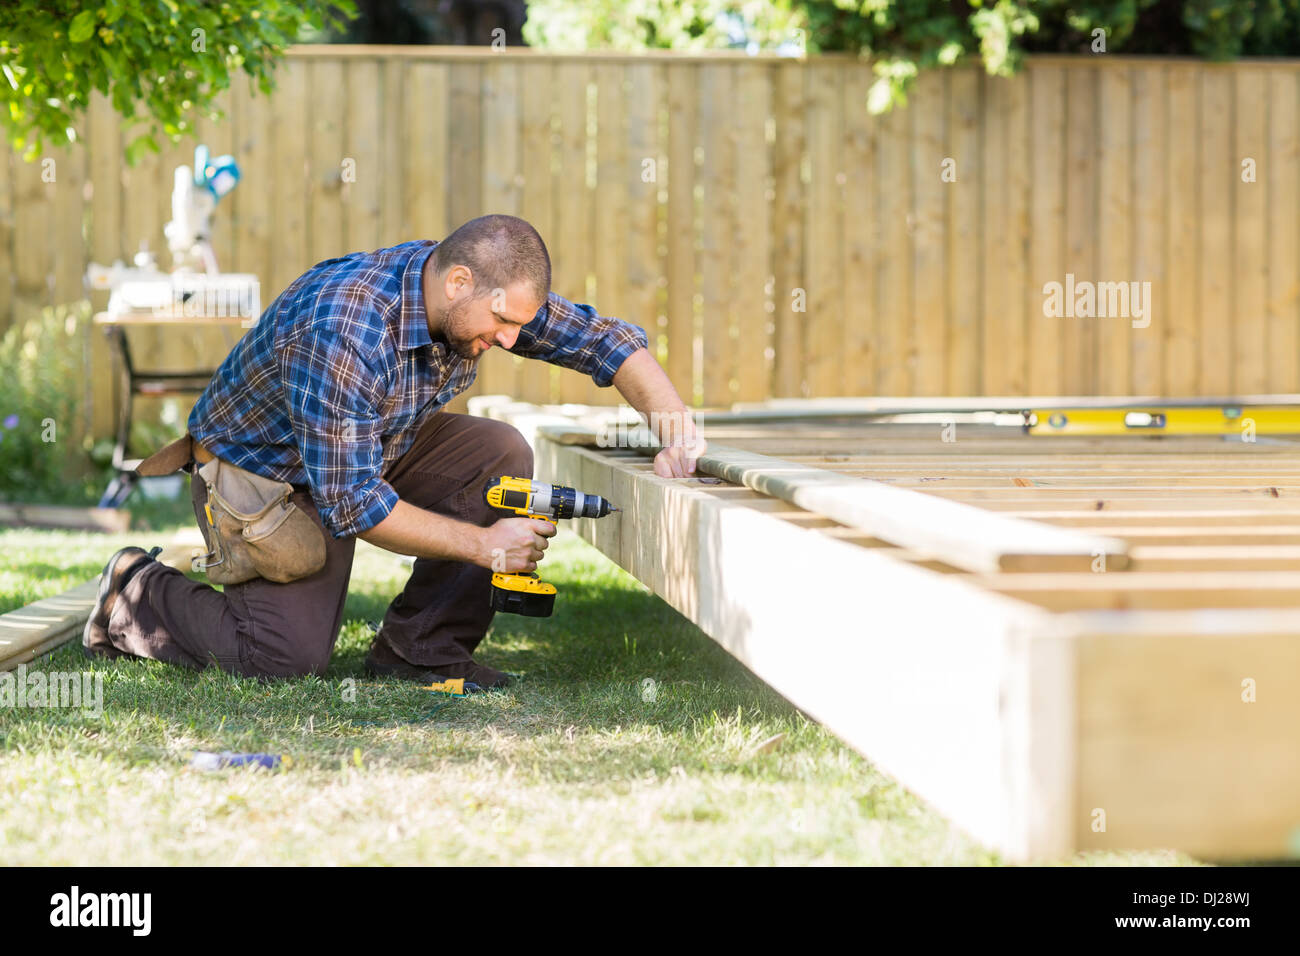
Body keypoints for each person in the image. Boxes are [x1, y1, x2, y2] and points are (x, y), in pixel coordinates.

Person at [83, 215, 705, 690]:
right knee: (282, 657)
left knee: (499, 452)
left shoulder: (477, 297)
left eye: (519, 324)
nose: (512, 339)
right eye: (503, 324)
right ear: (459, 282)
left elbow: (604, 342)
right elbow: (353, 503)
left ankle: (420, 650)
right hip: (262, 472)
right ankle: (133, 590)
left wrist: (676, 431)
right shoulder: (347, 327)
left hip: (366, 447)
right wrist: (486, 546)